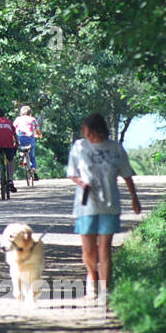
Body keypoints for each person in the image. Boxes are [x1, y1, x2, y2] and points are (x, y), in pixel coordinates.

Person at [67, 113, 141, 303]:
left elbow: (126, 174)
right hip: (86, 206)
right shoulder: (79, 147)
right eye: (85, 132)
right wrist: (81, 183)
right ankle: (92, 278)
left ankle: (105, 289)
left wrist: (134, 197)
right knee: (89, 250)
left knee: (105, 249)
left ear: (98, 130)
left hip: (110, 205)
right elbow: (72, 173)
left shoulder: (115, 148)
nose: (87, 135)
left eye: (89, 131)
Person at [13, 105, 42, 180]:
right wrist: (40, 135)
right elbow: (37, 130)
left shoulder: (18, 119)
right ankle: (33, 169)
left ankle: (21, 156)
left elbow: (13, 128)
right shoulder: (33, 119)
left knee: (21, 148)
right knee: (32, 155)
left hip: (20, 137)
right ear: (30, 113)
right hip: (30, 138)